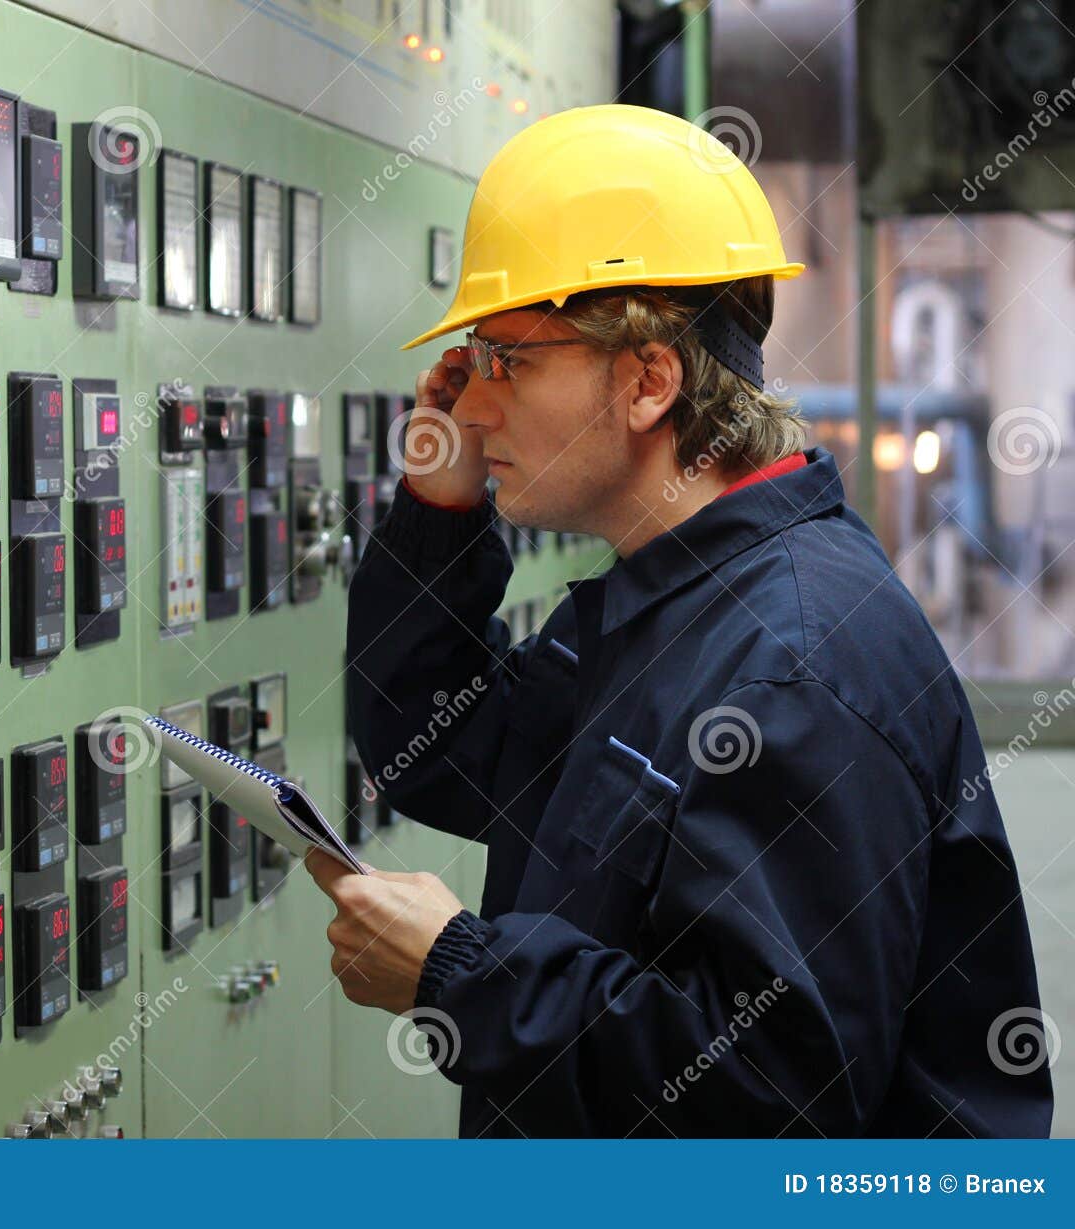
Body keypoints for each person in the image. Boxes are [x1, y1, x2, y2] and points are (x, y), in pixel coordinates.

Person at [310, 104, 1053, 1137]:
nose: (472, 408)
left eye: (508, 362)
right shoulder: (673, 600)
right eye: (473, 365)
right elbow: (441, 746)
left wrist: (461, 973)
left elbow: (766, 1096)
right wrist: (439, 506)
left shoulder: (788, 663)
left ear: (648, 379)